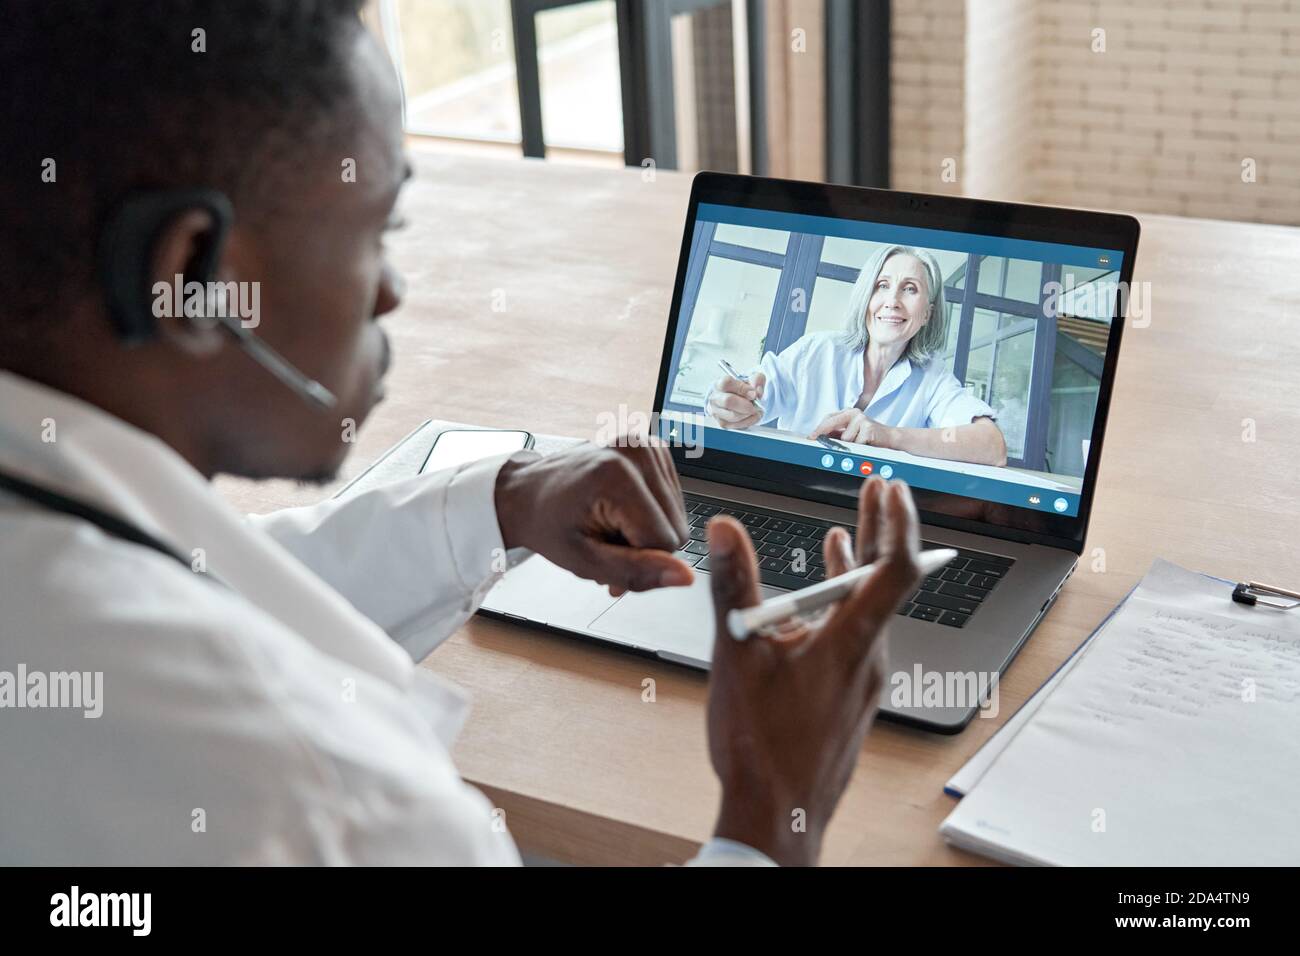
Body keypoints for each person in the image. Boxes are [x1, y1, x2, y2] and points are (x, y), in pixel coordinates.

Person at [0, 1, 922, 865]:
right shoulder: (313, 792)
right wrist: (768, 813)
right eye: (377, 229)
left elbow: (212, 581)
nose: (393, 290)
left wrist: (501, 499)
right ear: (192, 275)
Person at [705, 245, 1009, 466]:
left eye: (910, 289)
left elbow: (992, 446)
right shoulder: (816, 350)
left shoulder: (932, 378)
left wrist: (888, 436)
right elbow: (749, 396)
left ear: (927, 314)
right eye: (882, 286)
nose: (892, 301)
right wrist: (730, 403)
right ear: (867, 298)